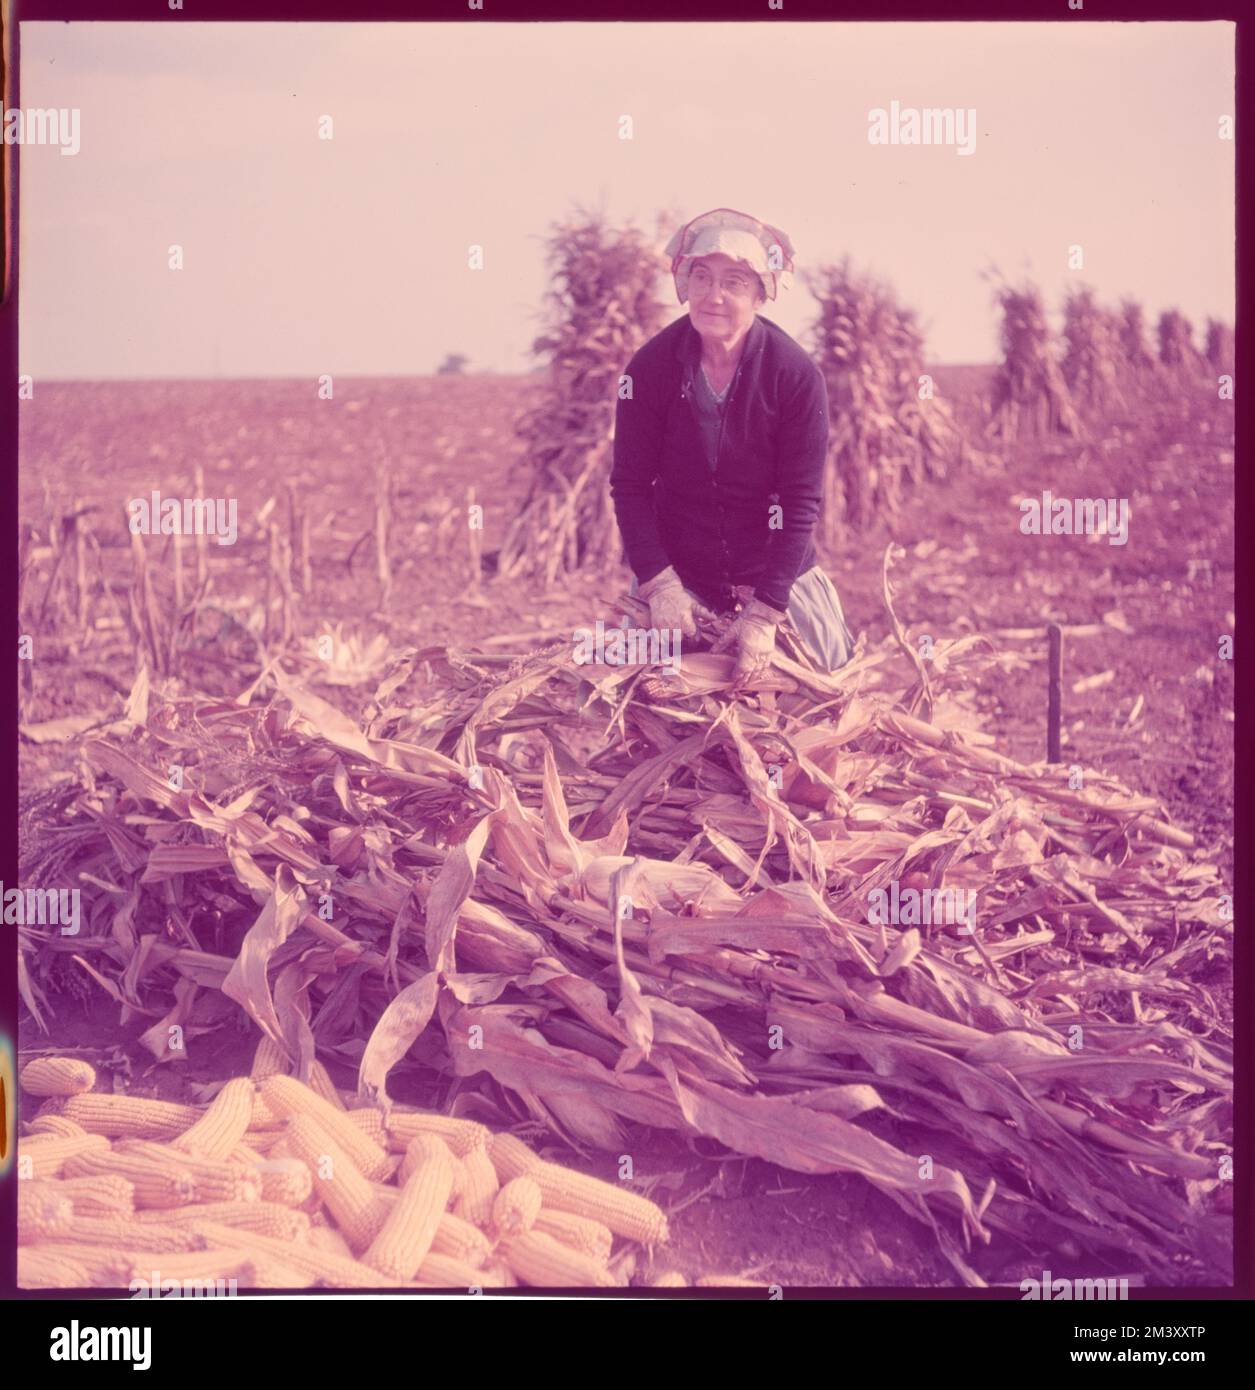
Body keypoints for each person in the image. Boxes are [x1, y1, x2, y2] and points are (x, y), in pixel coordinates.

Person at [611, 207, 855, 685]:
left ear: (762, 294)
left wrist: (765, 615)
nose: (714, 297)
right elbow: (631, 486)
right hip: (679, 582)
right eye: (701, 278)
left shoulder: (795, 376)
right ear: (684, 285)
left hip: (775, 584)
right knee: (653, 711)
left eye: (735, 283)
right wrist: (660, 586)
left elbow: (799, 502)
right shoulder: (649, 369)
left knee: (812, 715)